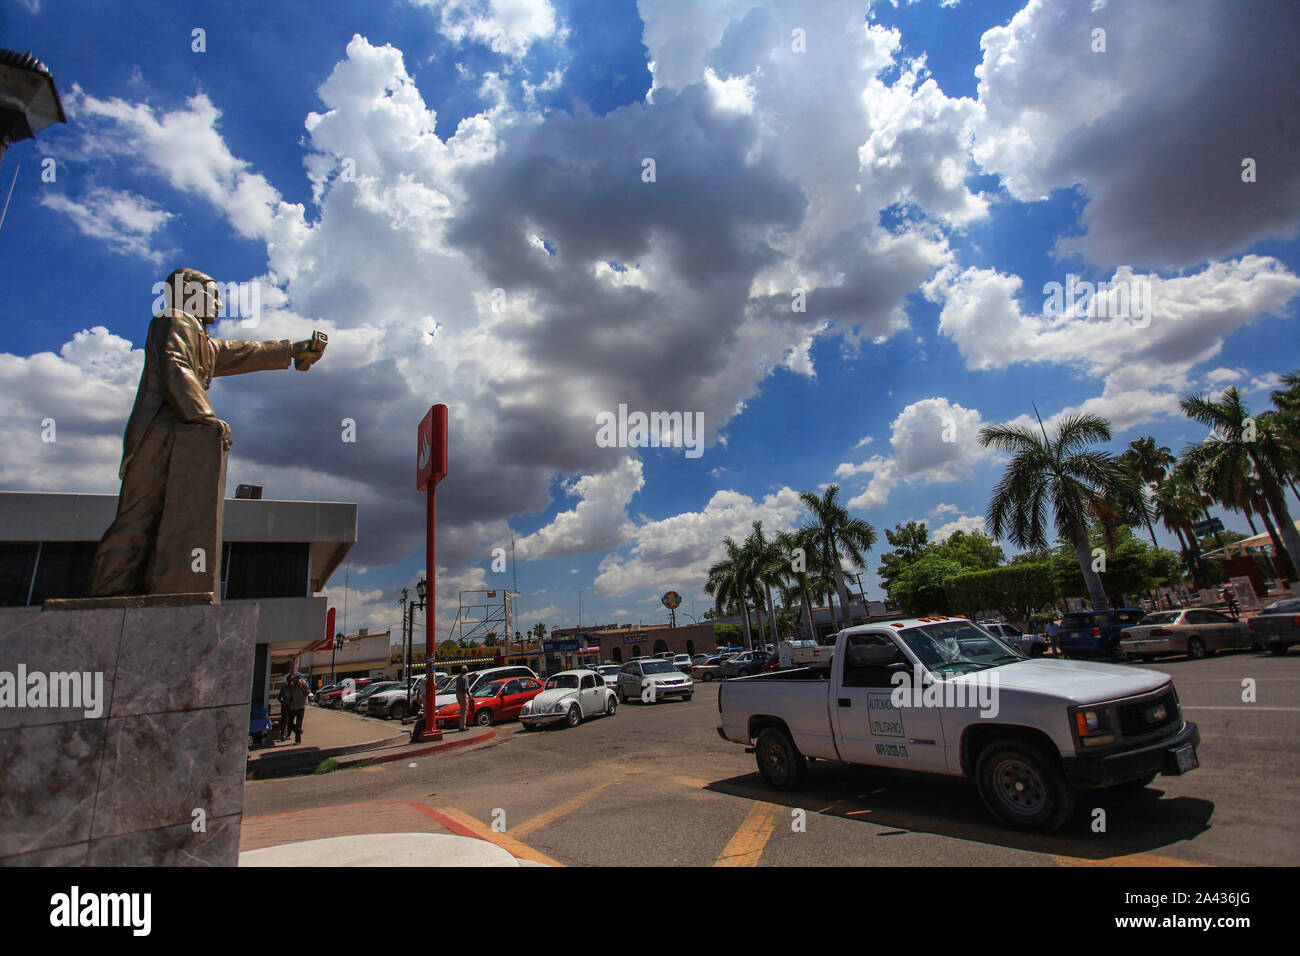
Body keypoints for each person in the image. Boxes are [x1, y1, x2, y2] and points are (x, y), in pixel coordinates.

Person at [89, 267, 326, 596]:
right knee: (139, 515)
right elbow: (176, 365)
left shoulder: (198, 336)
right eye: (211, 295)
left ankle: (133, 587)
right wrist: (202, 416)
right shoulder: (173, 320)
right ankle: (109, 591)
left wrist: (290, 349)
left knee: (156, 517)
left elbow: (237, 352)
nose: (217, 302)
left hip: (177, 432)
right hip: (158, 432)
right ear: (186, 293)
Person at [284, 674, 309, 744]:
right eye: (293, 679)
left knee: (298, 723)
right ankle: (298, 731)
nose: (294, 680)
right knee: (290, 723)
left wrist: (302, 688)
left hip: (300, 706)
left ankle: (298, 740)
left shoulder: (303, 684)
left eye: (295, 678)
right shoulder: (291, 686)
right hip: (292, 707)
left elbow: (307, 693)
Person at [455, 665, 471, 732]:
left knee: (462, 709)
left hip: (457, 694)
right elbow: (466, 688)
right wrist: (469, 696)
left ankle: (462, 725)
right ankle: (462, 726)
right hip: (462, 693)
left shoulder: (459, 677)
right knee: (464, 710)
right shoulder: (465, 678)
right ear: (466, 671)